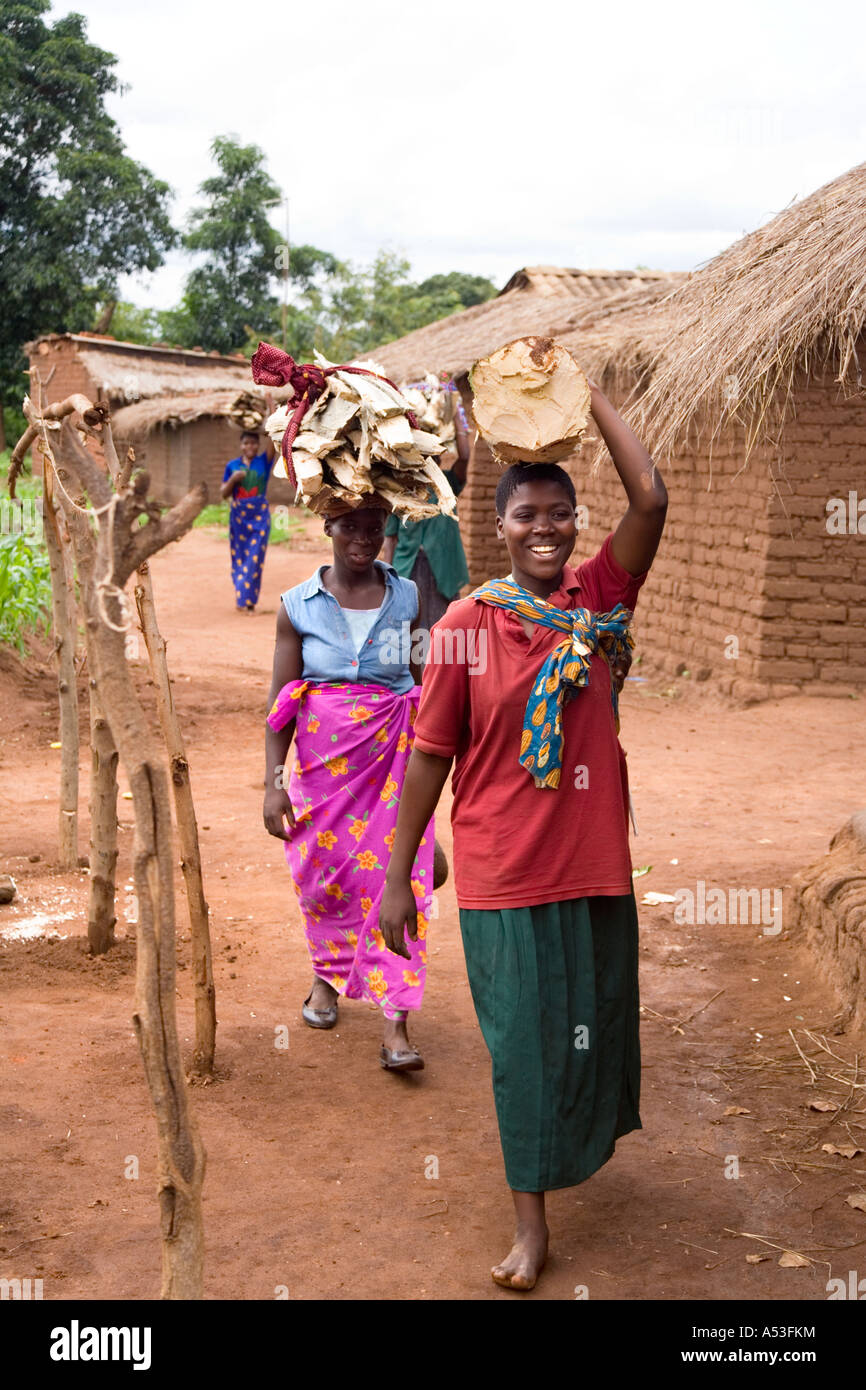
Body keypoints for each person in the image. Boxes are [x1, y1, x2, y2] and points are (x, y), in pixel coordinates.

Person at [378, 379, 667, 1289]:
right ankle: (530, 1225)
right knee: (522, 1048)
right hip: (503, 871)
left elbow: (652, 497)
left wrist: (594, 400)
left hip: (590, 865)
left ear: (578, 521)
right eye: (525, 515)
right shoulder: (467, 624)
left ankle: (572, 1154)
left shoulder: (599, 599)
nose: (544, 528)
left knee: (594, 1025)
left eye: (559, 512)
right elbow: (429, 754)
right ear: (498, 528)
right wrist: (399, 878)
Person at [263, 499, 434, 1071]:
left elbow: (424, 686)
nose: (363, 538)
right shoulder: (297, 607)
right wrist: (273, 783)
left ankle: (396, 1022)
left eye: (373, 527)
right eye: (349, 527)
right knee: (326, 882)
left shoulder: (407, 597)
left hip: (393, 765)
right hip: (322, 772)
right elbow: (281, 703)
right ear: (327, 526)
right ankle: (325, 979)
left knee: (398, 880)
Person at [382, 392, 471, 630]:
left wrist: (456, 412)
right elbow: (390, 538)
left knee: (444, 628)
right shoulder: (400, 489)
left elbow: (465, 456)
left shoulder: (448, 483)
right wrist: (387, 578)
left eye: (434, 455)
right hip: (408, 568)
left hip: (442, 568)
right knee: (407, 629)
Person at [221, 416, 276, 612]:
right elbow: (223, 494)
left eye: (254, 442)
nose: (250, 446)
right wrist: (233, 480)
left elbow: (275, 437)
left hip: (259, 516)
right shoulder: (232, 466)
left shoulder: (264, 461)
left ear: (258, 444)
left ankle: (249, 601)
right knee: (239, 557)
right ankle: (241, 595)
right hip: (239, 517)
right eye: (246, 443)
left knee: (255, 558)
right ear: (241, 446)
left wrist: (271, 410)